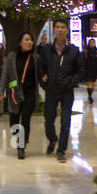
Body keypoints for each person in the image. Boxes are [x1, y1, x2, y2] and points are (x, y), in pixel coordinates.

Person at [37, 18, 84, 162]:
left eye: (63, 27)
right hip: (51, 89)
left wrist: (71, 83)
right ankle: (52, 139)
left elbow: (80, 69)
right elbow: (40, 68)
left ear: (67, 30)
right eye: (57, 27)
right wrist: (43, 79)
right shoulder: (46, 50)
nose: (60, 30)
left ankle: (61, 150)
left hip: (66, 91)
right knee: (48, 120)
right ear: (54, 30)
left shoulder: (74, 50)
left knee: (65, 121)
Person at [0, 32, 37, 159]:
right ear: (20, 43)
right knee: (13, 121)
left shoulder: (35, 58)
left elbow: (41, 73)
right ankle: (19, 138)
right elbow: (5, 74)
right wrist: (1, 91)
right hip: (14, 92)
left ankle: (22, 146)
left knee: (25, 119)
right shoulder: (11, 56)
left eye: (31, 40)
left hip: (30, 93)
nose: (29, 42)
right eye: (26, 40)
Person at [83, 37, 97, 104]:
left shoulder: (96, 51)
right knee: (90, 83)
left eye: (93, 42)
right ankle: (90, 96)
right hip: (88, 69)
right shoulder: (85, 51)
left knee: (92, 83)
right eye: (91, 42)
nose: (92, 44)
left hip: (94, 69)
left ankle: (90, 96)